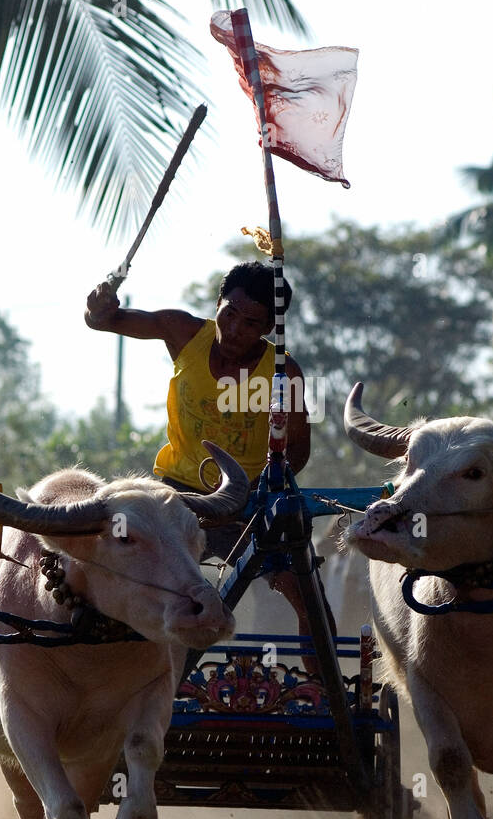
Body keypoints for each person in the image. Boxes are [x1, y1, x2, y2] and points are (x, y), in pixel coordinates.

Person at [85, 261, 333, 664]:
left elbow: (298, 449)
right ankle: (116, 685)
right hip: (177, 499)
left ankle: (326, 698)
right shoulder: (182, 331)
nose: (234, 328)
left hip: (250, 502)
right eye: (229, 313)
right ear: (217, 303)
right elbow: (103, 321)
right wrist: (97, 306)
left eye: (251, 322)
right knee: (134, 583)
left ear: (269, 328)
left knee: (307, 597)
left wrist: (265, 486)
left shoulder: (285, 372)